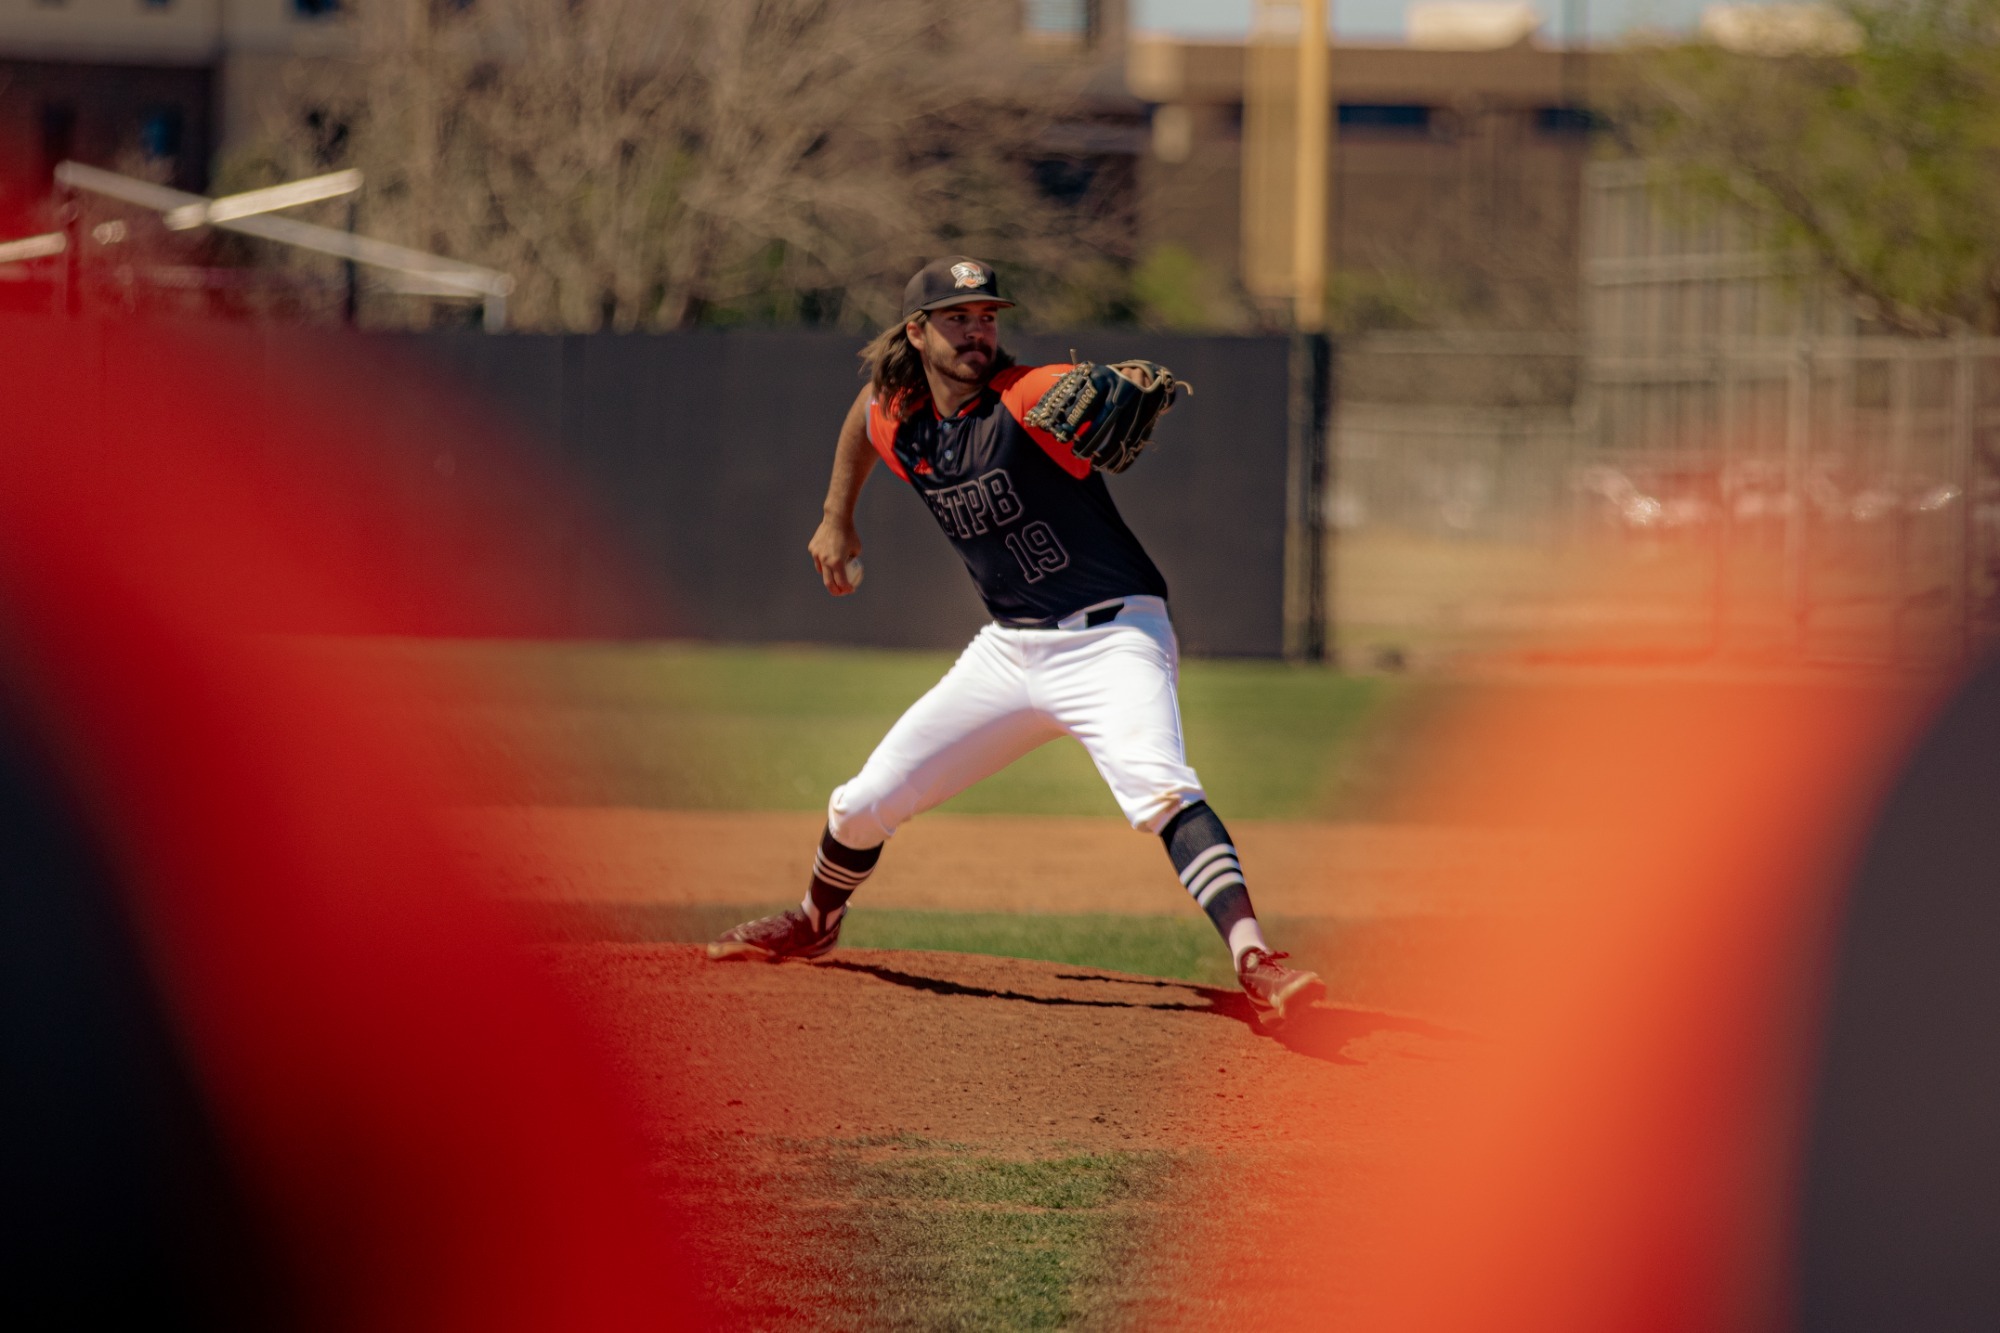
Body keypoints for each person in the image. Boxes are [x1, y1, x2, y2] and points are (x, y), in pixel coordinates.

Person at [707, 256, 1324, 1028]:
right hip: (1010, 649)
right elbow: (863, 414)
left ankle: (1256, 959)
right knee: (862, 801)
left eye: (988, 316)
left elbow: (1072, 397)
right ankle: (815, 921)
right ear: (918, 331)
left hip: (1115, 635)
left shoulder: (1027, 396)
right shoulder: (904, 415)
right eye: (959, 318)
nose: (978, 331)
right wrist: (837, 516)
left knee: (1160, 786)